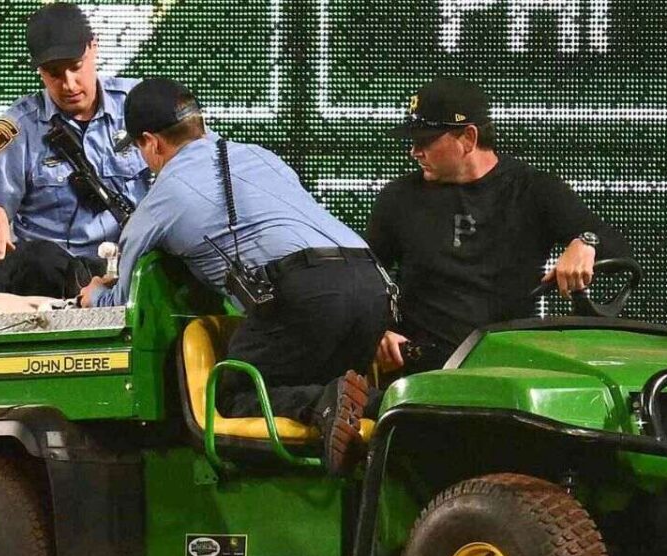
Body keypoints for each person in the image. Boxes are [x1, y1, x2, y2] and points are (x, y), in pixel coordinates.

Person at [79, 78, 390, 473]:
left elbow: (121, 304)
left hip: (307, 293)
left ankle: (322, 403)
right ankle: (409, 407)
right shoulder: (259, 156)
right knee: (348, 395)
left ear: (152, 143)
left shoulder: (160, 201)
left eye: (141, 150)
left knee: (229, 397)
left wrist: (91, 296)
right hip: (373, 283)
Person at [368, 76, 631, 375]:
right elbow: (366, 280)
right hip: (420, 372)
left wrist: (585, 242)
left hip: (507, 371)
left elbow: (616, 244)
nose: (414, 152)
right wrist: (379, 333)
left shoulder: (532, 189)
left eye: (425, 141)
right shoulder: (398, 198)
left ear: (468, 138)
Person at [0, 2, 150, 297]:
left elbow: (195, 166)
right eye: (53, 74)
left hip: (133, 266)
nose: (69, 84)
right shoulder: (19, 126)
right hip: (53, 279)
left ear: (94, 47)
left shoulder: (140, 105)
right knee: (34, 261)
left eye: (75, 67)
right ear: (39, 71)